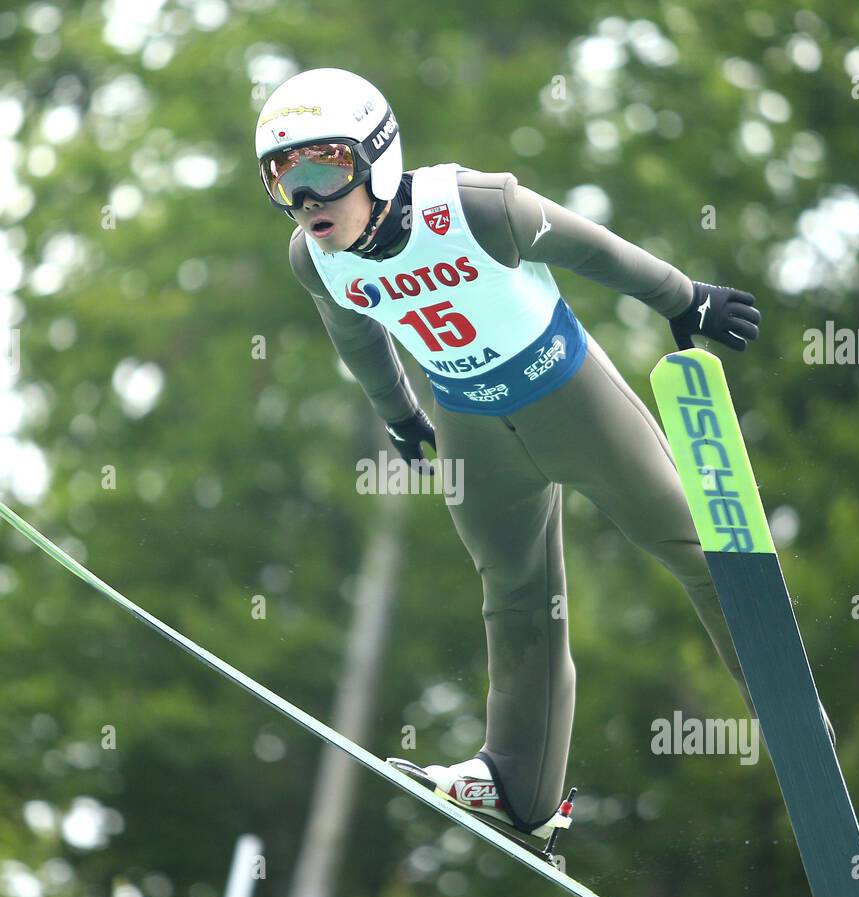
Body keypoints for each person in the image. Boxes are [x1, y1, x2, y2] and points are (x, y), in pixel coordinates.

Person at [256, 67, 830, 846]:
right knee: (516, 599)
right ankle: (519, 785)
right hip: (471, 425)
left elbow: (592, 249)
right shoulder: (315, 258)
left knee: (695, 546)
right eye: (282, 180)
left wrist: (683, 296)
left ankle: (789, 718)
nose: (305, 200)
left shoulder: (474, 206)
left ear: (377, 158)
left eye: (323, 171)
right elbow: (356, 334)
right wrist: (400, 416)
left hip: (569, 396)